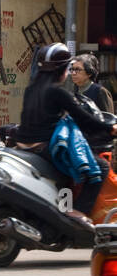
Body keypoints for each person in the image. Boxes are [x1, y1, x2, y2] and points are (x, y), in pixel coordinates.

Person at [16, 42, 117, 226]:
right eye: (70, 69)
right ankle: (74, 212)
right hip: (45, 147)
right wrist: (110, 129)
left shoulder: (32, 89)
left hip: (22, 146)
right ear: (61, 70)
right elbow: (84, 119)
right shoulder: (59, 93)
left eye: (77, 69)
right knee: (98, 168)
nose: (72, 73)